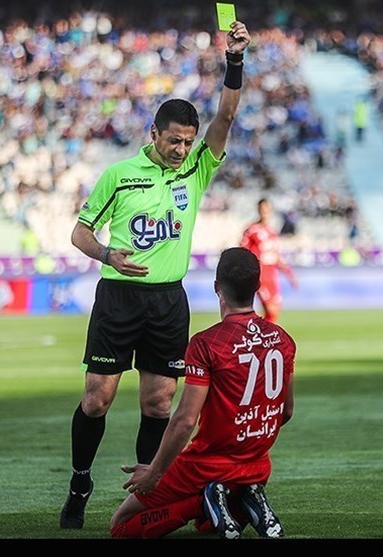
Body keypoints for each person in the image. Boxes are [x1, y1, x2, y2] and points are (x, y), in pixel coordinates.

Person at [59, 21, 252, 530]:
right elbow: (79, 233)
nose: (181, 150)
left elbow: (227, 113)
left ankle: (148, 492)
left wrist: (234, 59)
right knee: (96, 399)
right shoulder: (119, 175)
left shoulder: (197, 168)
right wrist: (108, 255)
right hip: (118, 298)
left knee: (158, 400)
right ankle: (81, 480)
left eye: (188, 142)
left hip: (168, 301)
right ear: (153, 135)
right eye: (173, 141)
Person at [109, 247, 296, 539]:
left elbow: (185, 420)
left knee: (121, 526)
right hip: (257, 465)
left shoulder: (206, 344)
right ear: (258, 287)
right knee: (209, 526)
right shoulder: (283, 340)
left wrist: (155, 472)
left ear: (216, 287)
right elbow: (286, 412)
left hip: (205, 465)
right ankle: (244, 498)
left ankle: (203, 500)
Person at [240, 198, 298, 323]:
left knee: (274, 313)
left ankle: (261, 336)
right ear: (258, 210)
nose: (265, 212)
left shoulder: (272, 232)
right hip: (260, 276)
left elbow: (276, 256)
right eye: (262, 209)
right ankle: (259, 335)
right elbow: (242, 252)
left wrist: (289, 274)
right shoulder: (252, 230)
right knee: (271, 310)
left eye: (267, 209)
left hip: (272, 276)